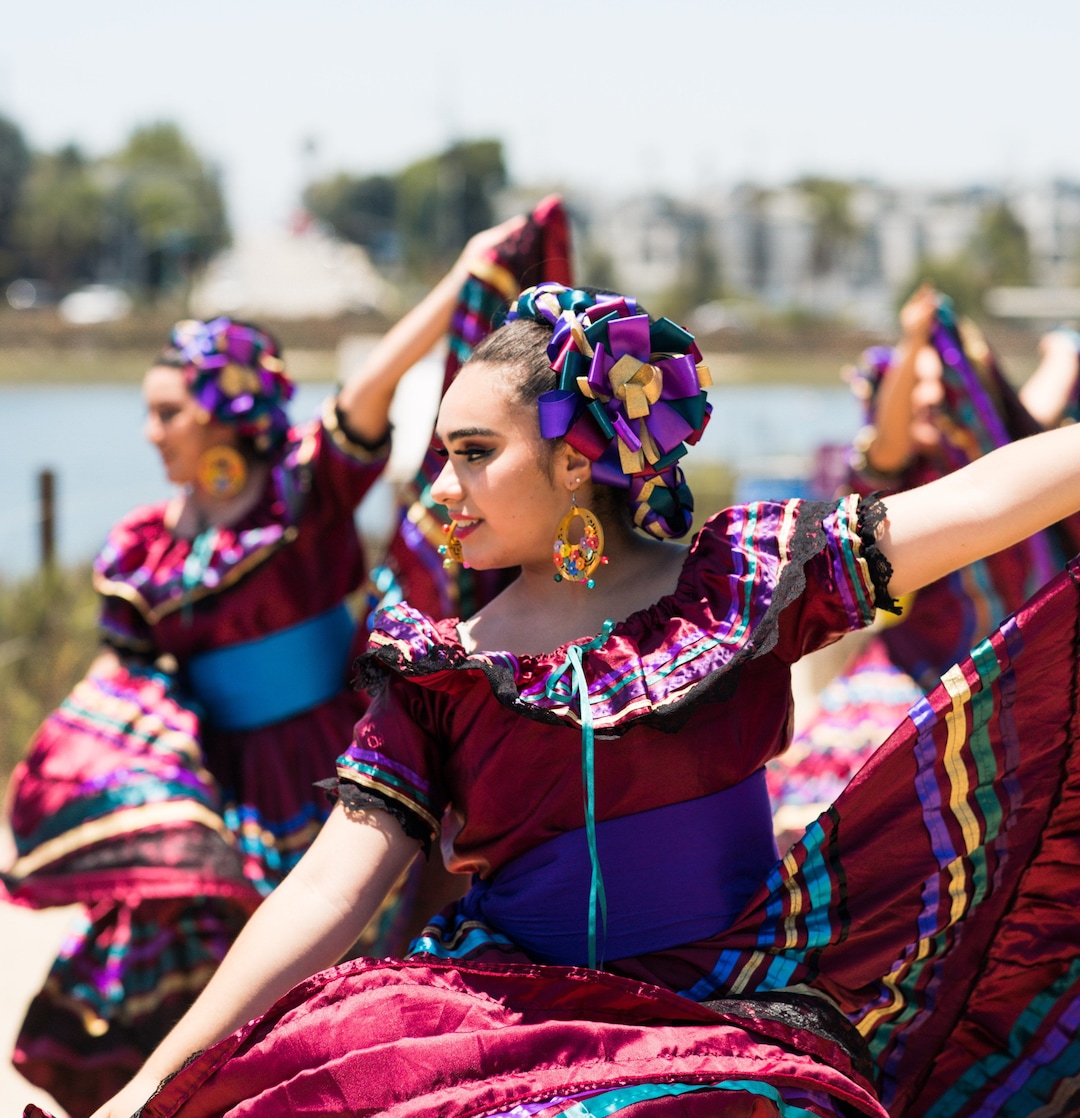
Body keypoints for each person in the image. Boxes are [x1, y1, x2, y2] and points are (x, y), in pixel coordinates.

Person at [77, 282, 1080, 1118]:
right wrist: (150, 1084)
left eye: (475, 452)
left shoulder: (742, 583)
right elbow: (327, 891)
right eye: (443, 453)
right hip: (512, 1017)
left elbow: (982, 502)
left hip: (731, 1001)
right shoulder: (437, 668)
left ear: (571, 459)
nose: (441, 491)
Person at [1, 216, 526, 1117]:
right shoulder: (142, 552)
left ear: (220, 413)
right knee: (192, 969)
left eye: (165, 412)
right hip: (225, 782)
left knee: (342, 966)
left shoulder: (302, 492)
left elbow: (374, 384)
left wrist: (461, 277)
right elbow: (132, 684)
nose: (148, 431)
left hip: (341, 762)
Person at [769, 285, 1080, 834]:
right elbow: (887, 437)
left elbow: (1039, 410)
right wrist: (915, 340)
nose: (931, 393)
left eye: (943, 379)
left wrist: (1062, 349)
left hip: (1008, 656)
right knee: (863, 784)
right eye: (917, 382)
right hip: (924, 660)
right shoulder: (894, 474)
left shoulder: (1000, 458)